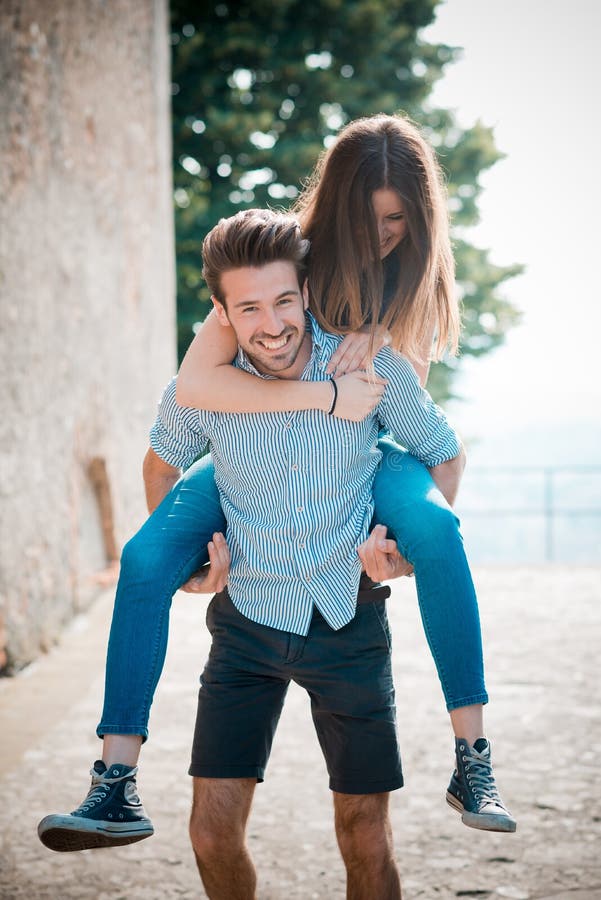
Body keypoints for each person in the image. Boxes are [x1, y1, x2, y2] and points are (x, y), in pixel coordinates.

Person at [175, 114, 514, 829]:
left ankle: (472, 754)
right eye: (367, 218)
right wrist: (321, 391)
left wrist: (389, 554)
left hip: (372, 451)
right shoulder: (286, 258)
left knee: (435, 530)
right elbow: (196, 385)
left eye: (398, 218)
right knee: (151, 553)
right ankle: (112, 772)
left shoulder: (411, 275)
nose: (382, 233)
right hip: (263, 443)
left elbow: (414, 414)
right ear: (334, 211)